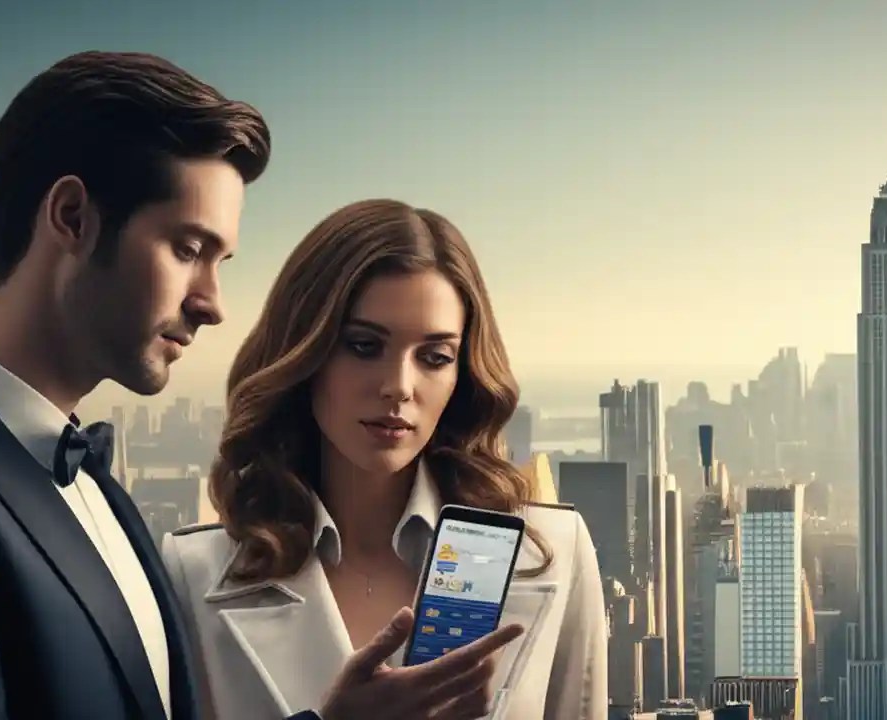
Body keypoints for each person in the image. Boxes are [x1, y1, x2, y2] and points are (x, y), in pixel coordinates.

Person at [0, 52, 519, 720]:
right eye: (187, 250)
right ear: (70, 217)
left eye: (221, 262)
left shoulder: (95, 489)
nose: (212, 304)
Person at [161, 199, 608, 719]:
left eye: (435, 357)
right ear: (305, 353)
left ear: (461, 373)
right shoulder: (195, 575)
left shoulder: (549, 554)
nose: (398, 386)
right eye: (363, 346)